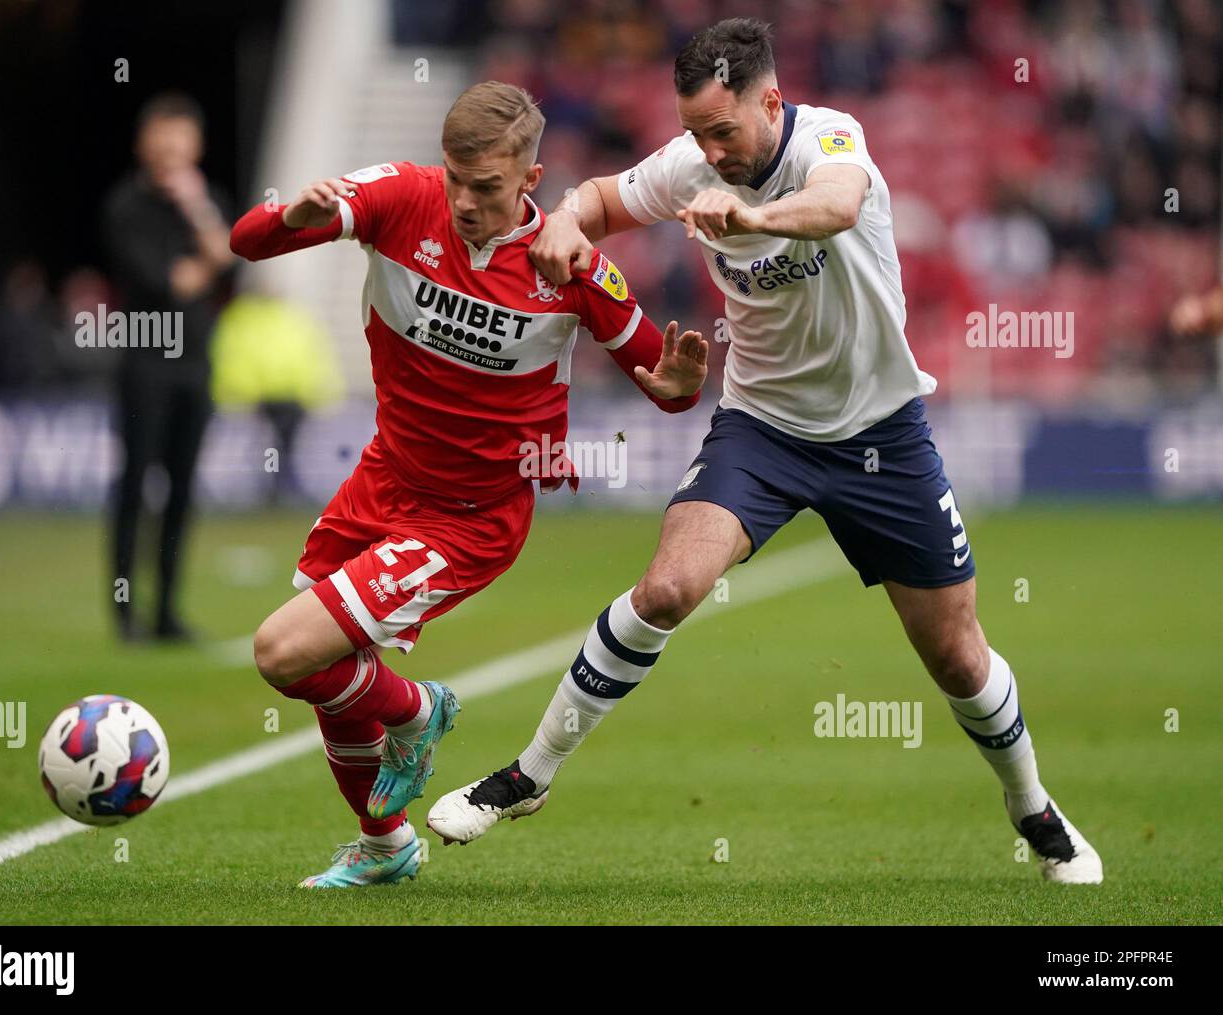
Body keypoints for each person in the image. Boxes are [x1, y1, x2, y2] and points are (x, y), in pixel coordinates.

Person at [429, 19, 1103, 885]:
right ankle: (528, 775)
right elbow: (600, 197)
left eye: (724, 131)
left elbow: (840, 204)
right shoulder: (689, 167)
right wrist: (564, 219)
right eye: (696, 132)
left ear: (771, 102)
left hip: (880, 434)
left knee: (956, 654)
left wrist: (751, 213)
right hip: (764, 428)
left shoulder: (830, 139)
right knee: (669, 587)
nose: (709, 150)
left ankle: (1034, 808)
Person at [230, 81, 708, 888]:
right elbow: (247, 244)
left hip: (470, 518)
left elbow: (668, 384)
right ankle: (385, 845)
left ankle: (419, 712)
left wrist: (679, 378)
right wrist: (292, 220)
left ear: (530, 179)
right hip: (382, 476)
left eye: (485, 187)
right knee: (328, 683)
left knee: (284, 650)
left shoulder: (569, 264)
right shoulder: (401, 199)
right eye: (455, 178)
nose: (462, 201)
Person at [102, 93, 235, 642]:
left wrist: (201, 214)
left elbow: (230, 266)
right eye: (162, 138)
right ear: (144, 143)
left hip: (195, 365)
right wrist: (210, 258)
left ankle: (167, 613)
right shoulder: (125, 207)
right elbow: (170, 282)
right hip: (145, 362)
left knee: (182, 488)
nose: (171, 150)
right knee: (136, 484)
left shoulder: (210, 202)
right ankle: (126, 612)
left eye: (181, 139)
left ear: (196, 146)